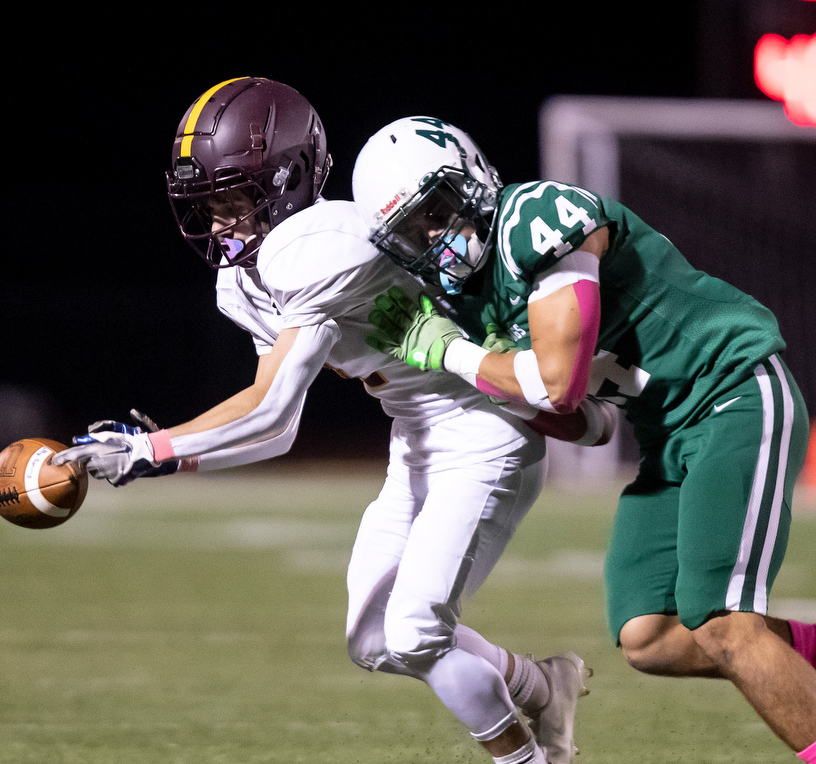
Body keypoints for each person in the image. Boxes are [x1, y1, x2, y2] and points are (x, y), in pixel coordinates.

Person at [52, 79, 617, 764]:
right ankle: (540, 684)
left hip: (486, 429)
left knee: (413, 630)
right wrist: (165, 457)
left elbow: (268, 406)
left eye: (232, 200)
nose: (219, 223)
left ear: (285, 181)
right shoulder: (243, 282)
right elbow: (277, 429)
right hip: (417, 442)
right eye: (206, 205)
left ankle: (528, 760)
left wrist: (150, 450)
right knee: (374, 639)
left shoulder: (320, 245)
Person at [353, 115, 816, 761]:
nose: (435, 238)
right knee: (650, 639)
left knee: (723, 624)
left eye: (438, 211)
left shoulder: (536, 218)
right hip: (669, 433)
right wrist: (475, 376)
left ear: (474, 181)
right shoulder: (468, 302)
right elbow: (591, 425)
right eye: (412, 231)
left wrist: (456, 357)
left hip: (732, 392)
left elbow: (561, 384)